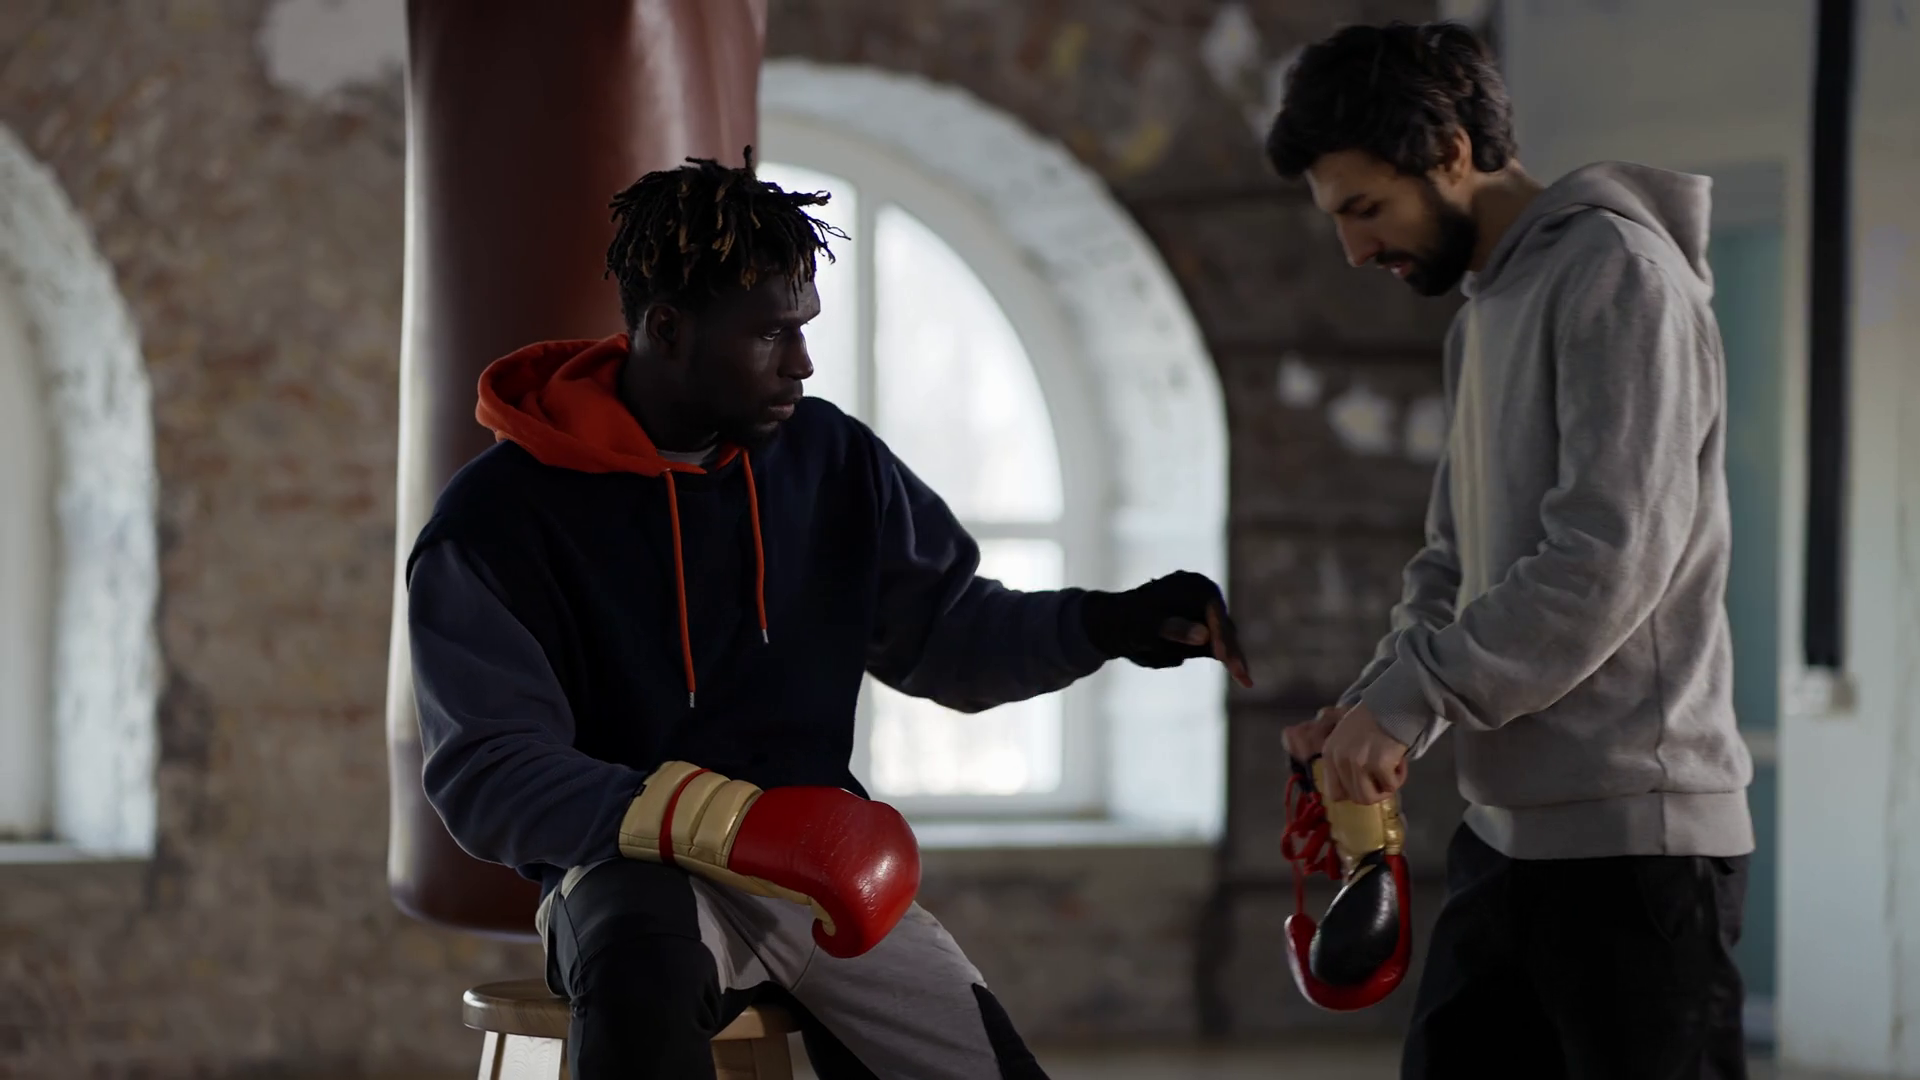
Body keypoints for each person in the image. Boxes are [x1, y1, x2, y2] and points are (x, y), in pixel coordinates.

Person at [404, 149, 1252, 1080]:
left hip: (815, 867)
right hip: (625, 873)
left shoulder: (832, 460)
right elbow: (493, 772)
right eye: (770, 336)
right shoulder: (495, 522)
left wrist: (1109, 625)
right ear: (667, 329)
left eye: (804, 329)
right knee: (638, 965)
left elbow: (948, 634)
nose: (802, 363)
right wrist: (733, 823)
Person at [1265, 21, 1754, 1080]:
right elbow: (1448, 563)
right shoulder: (1482, 312)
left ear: (1449, 150)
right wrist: (1370, 709)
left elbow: (1604, 560)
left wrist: (1412, 701)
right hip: (1507, 835)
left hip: (1638, 850)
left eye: (1366, 208)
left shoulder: (1620, 275)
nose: (1354, 249)